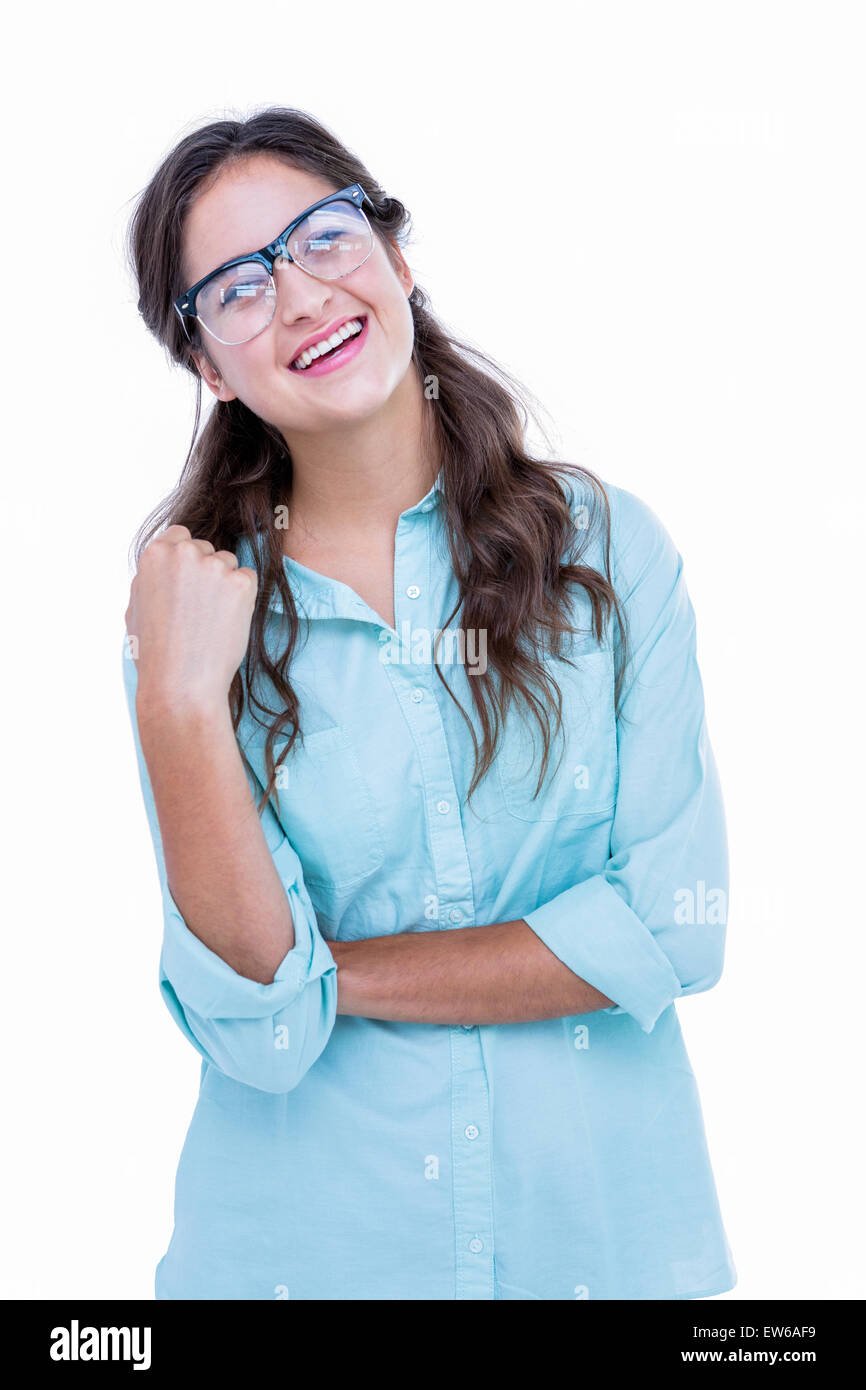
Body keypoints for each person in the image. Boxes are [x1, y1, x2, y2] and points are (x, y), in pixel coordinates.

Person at [122, 106, 736, 1301]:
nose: (299, 297)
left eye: (322, 237)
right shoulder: (189, 612)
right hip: (304, 1260)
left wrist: (323, 974)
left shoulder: (607, 550)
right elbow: (257, 1029)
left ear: (396, 259)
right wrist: (181, 709)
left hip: (600, 1257)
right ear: (204, 363)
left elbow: (670, 929)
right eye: (238, 286)